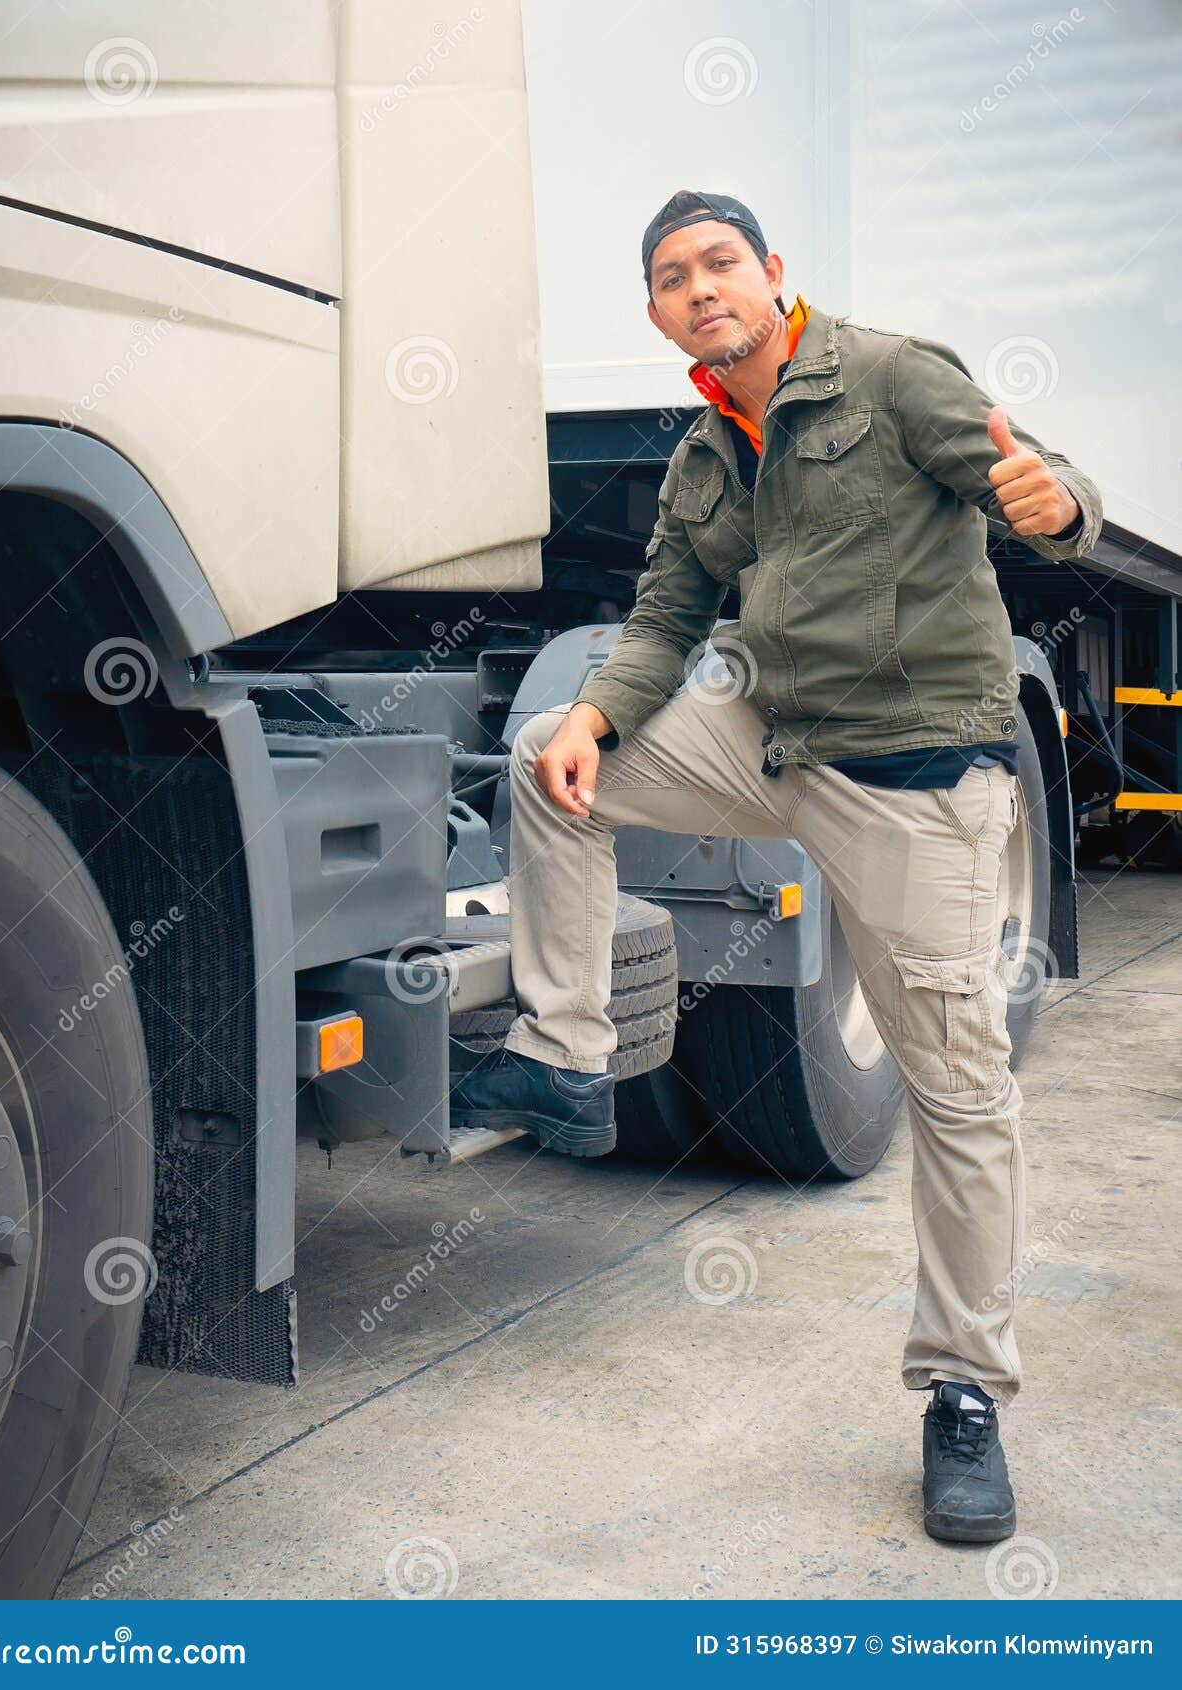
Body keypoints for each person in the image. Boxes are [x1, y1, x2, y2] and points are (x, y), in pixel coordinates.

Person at [450, 189, 1103, 1543]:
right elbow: (666, 619)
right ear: (653, 310)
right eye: (673, 275)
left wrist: (1059, 508)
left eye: (722, 263)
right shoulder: (703, 454)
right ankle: (572, 1045)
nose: (701, 288)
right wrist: (592, 714)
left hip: (916, 774)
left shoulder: (886, 375)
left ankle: (964, 1393)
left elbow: (1035, 485)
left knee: (961, 1091)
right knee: (549, 766)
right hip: (773, 737)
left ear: (772, 274)